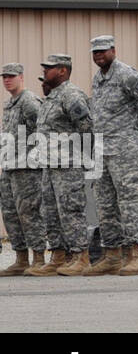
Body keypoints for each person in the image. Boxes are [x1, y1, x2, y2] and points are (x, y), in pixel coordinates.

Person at [86, 35, 138, 277]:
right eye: (95, 52)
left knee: (131, 201)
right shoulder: (98, 78)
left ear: (113, 50)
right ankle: (113, 254)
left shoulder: (126, 74)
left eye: (103, 51)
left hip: (127, 149)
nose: (98, 55)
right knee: (105, 204)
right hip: (103, 149)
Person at [33, 56, 94, 276]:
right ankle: (58, 255)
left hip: (68, 164)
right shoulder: (51, 97)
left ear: (62, 71)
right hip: (49, 164)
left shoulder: (71, 95)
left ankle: (80, 256)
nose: (45, 71)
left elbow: (87, 128)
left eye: (49, 68)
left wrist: (82, 156)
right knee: (50, 211)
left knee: (71, 209)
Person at [1, 63, 46, 276]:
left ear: (21, 77)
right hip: (9, 166)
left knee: (29, 213)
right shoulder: (9, 104)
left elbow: (43, 132)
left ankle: (38, 257)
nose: (6, 80)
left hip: (27, 169)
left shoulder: (29, 102)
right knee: (10, 213)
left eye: (11, 76)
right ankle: (20, 258)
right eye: (4, 77)